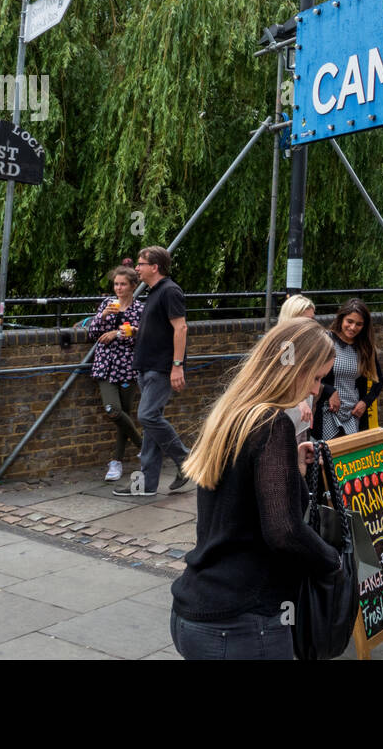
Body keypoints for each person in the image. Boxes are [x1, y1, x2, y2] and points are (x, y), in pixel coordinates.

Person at [169, 318, 341, 659]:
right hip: (243, 621)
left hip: (197, 609)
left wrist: (291, 463)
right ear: (295, 367)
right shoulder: (272, 424)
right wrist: (332, 561)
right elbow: (283, 530)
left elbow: (240, 491)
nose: (316, 390)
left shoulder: (234, 413)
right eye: (317, 377)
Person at [114, 246, 190, 497]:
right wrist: (136, 332)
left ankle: (187, 461)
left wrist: (177, 366)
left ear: (154, 267)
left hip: (161, 368)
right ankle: (145, 484)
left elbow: (181, 329)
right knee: (151, 425)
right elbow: (162, 329)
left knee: (147, 416)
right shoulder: (153, 292)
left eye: (141, 264)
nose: (137, 268)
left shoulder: (170, 291)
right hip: (146, 366)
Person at [88, 266, 144, 482]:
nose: (119, 288)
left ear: (132, 286)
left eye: (123, 284)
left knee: (125, 413)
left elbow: (143, 336)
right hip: (105, 365)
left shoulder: (139, 309)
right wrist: (103, 317)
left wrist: (118, 333)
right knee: (113, 410)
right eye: (116, 284)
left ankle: (116, 462)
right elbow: (93, 333)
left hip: (127, 366)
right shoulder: (107, 305)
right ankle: (144, 446)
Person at [311, 298, 382, 441]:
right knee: (329, 456)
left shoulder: (365, 347)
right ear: (341, 318)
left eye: (359, 324)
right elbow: (311, 375)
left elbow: (379, 381)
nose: (353, 327)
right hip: (327, 410)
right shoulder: (326, 340)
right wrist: (329, 391)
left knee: (348, 459)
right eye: (349, 321)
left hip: (352, 413)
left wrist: (365, 402)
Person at [278, 294, 318, 437]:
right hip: (290, 411)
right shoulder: (286, 343)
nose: (310, 324)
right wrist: (301, 402)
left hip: (300, 414)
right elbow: (285, 376)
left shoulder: (305, 341)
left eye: (312, 319)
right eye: (305, 320)